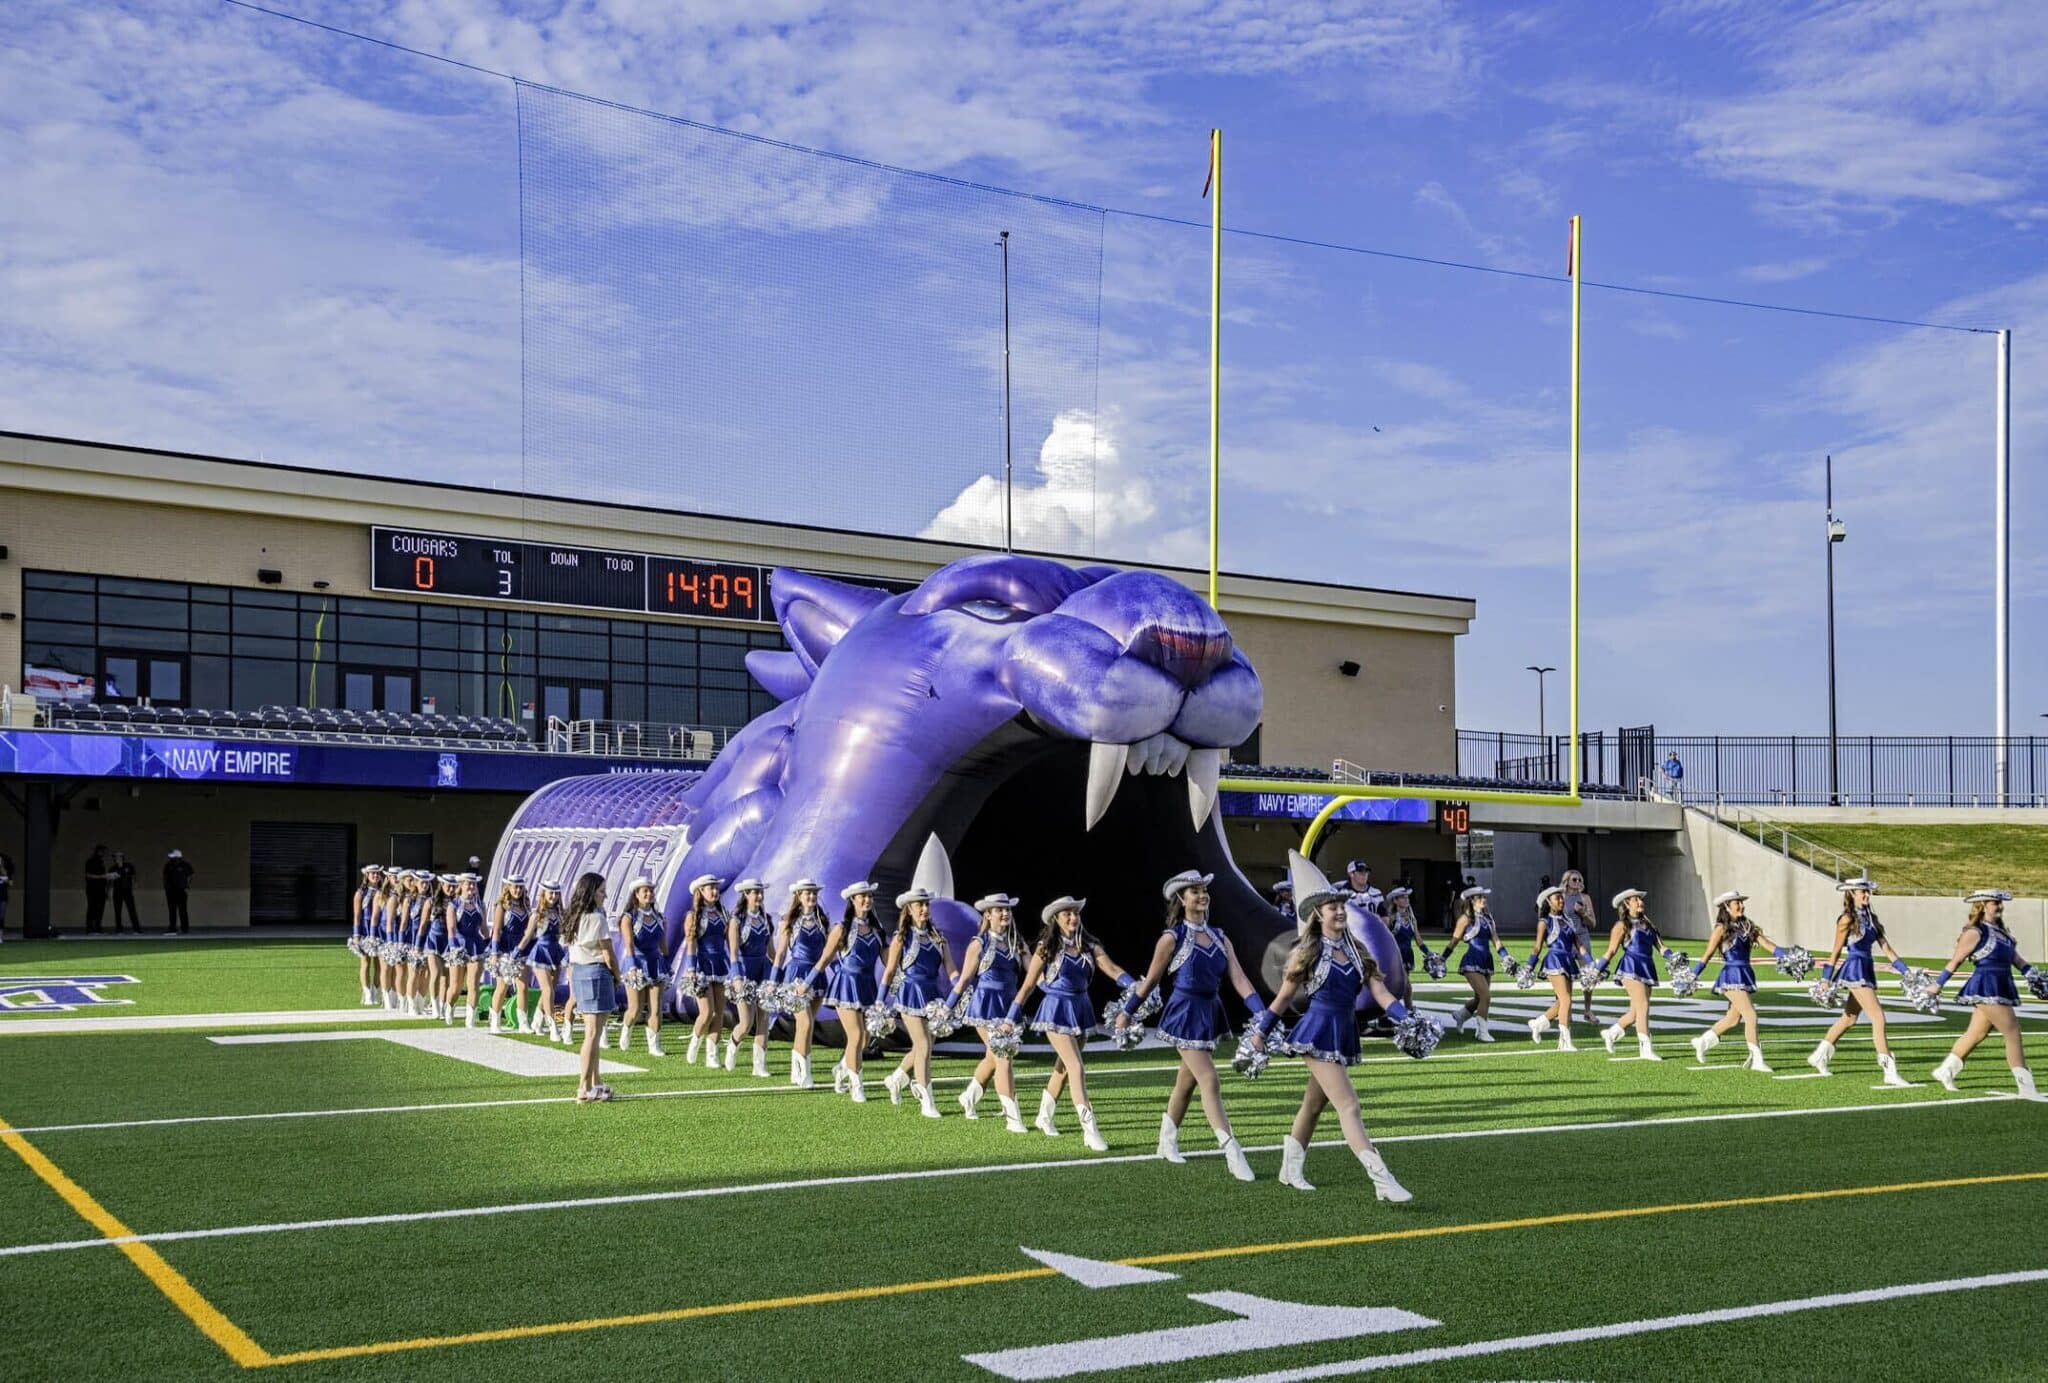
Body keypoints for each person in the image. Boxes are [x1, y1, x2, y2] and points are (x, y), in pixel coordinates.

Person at [1249, 854, 1415, 1200]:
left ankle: (1289, 1169)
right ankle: (1382, 1179)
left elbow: (1381, 992)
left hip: (1343, 1032)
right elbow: (1282, 999)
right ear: (1318, 914)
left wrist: (1406, 1018)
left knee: (1313, 1105)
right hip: (1316, 1033)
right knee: (1349, 1106)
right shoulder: (1306, 952)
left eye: (1341, 906)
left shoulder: (1357, 950)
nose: (1340, 911)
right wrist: (1260, 1033)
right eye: (1332, 907)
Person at [1118, 870, 1264, 1181]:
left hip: (1209, 1011)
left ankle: (1166, 1141)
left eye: (1204, 890)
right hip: (1184, 1012)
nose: (1202, 895)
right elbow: (1151, 980)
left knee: (1187, 1082)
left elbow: (1239, 979)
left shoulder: (1220, 936)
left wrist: (1262, 1013)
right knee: (1210, 1080)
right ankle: (1232, 1150)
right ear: (1182, 900)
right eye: (1194, 891)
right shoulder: (1172, 938)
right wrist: (1127, 1012)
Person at [1007, 896, 1134, 1152]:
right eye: (1067, 913)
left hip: (1081, 1009)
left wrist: (1134, 985)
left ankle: (1044, 1116)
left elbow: (1111, 968)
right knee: (1076, 1067)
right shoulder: (1046, 947)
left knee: (1064, 1069)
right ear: (1056, 918)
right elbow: (1029, 985)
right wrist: (1010, 1018)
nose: (1073, 917)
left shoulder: (1089, 945)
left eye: (1075, 913)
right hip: (1056, 1010)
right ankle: (1090, 1130)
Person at [1929, 889, 2042, 1098]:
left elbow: (2016, 960)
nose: (1999, 906)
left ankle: (1946, 1070)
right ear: (1982, 906)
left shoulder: (2003, 933)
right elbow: (1955, 961)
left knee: (1977, 1033)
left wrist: (2033, 974)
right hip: (1986, 985)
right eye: (1994, 903)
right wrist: (1937, 985)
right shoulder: (1974, 932)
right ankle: (2026, 1087)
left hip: (2002, 983)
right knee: (2012, 1030)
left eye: (2000, 903)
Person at [1806, 878, 1912, 1087]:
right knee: (1878, 1017)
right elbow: (1836, 951)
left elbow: (1887, 949)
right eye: (1863, 892)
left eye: (1868, 892)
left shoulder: (1872, 919)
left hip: (1866, 968)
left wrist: (1907, 972)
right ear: (1852, 893)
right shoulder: (1846, 919)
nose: (1867, 895)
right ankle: (1889, 1070)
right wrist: (1826, 979)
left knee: (1849, 1019)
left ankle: (1819, 1056)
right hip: (1855, 970)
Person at [949, 891, 1028, 1132]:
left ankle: (968, 1097)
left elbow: (1036, 976)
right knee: (1003, 1058)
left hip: (1009, 1007)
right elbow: (964, 980)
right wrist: (947, 1007)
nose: (1005, 913)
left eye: (1007, 909)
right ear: (988, 915)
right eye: (999, 909)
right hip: (985, 1006)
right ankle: (1013, 1118)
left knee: (993, 1058)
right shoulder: (978, 943)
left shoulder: (1017, 943)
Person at [879, 886, 955, 1118]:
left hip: (933, 997)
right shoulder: (901, 938)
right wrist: (879, 1002)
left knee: (925, 1046)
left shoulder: (938, 938)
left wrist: (961, 987)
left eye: (926, 904)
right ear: (909, 910)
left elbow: (951, 969)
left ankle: (896, 1079)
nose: (924, 908)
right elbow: (889, 971)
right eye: (919, 905)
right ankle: (927, 1101)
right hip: (910, 993)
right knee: (923, 1046)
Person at [1690, 890, 1783, 1072]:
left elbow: (1766, 944)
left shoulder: (1747, 926)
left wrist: (1786, 954)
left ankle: (1702, 1042)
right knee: (1751, 1016)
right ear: (1727, 907)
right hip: (1731, 975)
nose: (1741, 906)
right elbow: (1707, 954)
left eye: (1741, 902)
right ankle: (1757, 1060)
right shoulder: (1720, 929)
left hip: (1745, 972)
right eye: (1737, 903)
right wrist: (1693, 975)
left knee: (1733, 1019)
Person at [820, 881, 885, 1102]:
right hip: (846, 985)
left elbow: (888, 961)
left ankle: (841, 1069)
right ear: (853, 900)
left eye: (870, 896)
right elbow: (825, 958)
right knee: (856, 1035)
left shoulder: (877, 930)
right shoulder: (842, 928)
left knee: (865, 1038)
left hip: (868, 986)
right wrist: (806, 983)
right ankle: (857, 1085)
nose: (867, 900)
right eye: (862, 896)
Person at [564, 872, 622, 1103]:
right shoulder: (597, 918)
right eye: (601, 891)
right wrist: (617, 975)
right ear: (590, 893)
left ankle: (595, 1083)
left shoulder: (573, 915)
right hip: (596, 971)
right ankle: (583, 1087)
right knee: (592, 1034)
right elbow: (608, 953)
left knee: (594, 1034)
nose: (605, 896)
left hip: (579, 971)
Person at [1590, 888, 1663, 1061]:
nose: (1640, 902)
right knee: (1643, 1006)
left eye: (1640, 899)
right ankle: (1645, 1048)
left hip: (1647, 967)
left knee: (1635, 1012)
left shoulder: (1648, 925)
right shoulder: (1621, 926)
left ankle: (1611, 1033)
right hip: (1630, 967)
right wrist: (1596, 970)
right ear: (1626, 904)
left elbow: (1661, 947)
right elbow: (1611, 951)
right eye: (1635, 900)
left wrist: (1674, 957)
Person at [775, 879, 833, 1088]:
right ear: (798, 895)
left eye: (814, 893)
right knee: (805, 1022)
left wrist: (840, 973)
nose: (812, 896)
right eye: (807, 893)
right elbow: (781, 953)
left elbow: (829, 953)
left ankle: (796, 1070)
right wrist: (773, 980)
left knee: (806, 1026)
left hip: (817, 976)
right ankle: (804, 1073)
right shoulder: (788, 920)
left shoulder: (823, 921)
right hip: (796, 975)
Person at [1525, 885, 1588, 1050]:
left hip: (1568, 961)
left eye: (1561, 897)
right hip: (1554, 960)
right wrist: (1529, 968)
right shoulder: (1544, 922)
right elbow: (1537, 947)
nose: (1561, 900)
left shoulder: (1568, 920)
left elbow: (1579, 945)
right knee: (1566, 1000)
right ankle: (1565, 1042)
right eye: (1557, 898)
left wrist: (1590, 964)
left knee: (1563, 1002)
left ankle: (1538, 1024)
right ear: (1548, 901)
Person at [724, 878, 776, 1077]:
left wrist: (778, 973)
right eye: (755, 892)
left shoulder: (766, 919)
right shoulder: (736, 920)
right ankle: (732, 1045)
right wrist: (736, 977)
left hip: (764, 971)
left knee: (764, 1019)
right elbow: (733, 952)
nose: (759, 896)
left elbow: (771, 951)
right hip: (744, 971)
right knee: (746, 1023)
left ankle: (759, 1065)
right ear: (746, 894)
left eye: (761, 892)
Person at [677, 874, 728, 1066]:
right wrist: (691, 969)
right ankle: (695, 1041)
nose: (715, 891)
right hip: (701, 965)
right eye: (710, 888)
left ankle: (712, 1054)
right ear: (701, 892)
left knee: (719, 1013)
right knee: (707, 1012)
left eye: (716, 887)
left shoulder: (724, 913)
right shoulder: (693, 915)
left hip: (720, 964)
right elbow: (691, 943)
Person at [615, 876, 669, 1056]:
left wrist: (667, 963)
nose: (649, 893)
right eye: (645, 891)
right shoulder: (628, 918)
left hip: (655, 964)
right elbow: (629, 945)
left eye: (651, 890)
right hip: (636, 962)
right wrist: (632, 967)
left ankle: (654, 1045)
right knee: (636, 1008)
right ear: (636, 894)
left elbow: (663, 945)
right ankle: (626, 1029)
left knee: (656, 1007)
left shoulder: (659, 917)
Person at [1443, 885, 1504, 1040]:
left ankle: (1460, 1015)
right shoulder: (1465, 919)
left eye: (1484, 897)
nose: (1484, 899)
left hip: (1486, 960)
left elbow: (1496, 940)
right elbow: (1454, 941)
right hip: (1471, 960)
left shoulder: (1488, 918)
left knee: (1479, 998)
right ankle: (1482, 1032)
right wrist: (1442, 959)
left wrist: (1506, 957)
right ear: (1472, 900)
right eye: (1480, 897)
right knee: (1486, 996)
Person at [520, 880, 570, 1041]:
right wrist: (517, 952)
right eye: (550, 893)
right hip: (540, 953)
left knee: (550, 990)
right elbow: (528, 936)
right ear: (543, 894)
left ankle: (537, 1020)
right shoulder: (536, 915)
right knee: (548, 990)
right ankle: (553, 1027)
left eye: (556, 893)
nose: (553, 896)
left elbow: (565, 935)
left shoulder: (561, 914)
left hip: (556, 952)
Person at [485, 877, 533, 1035]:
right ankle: (495, 1020)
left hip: (521, 949)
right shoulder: (502, 905)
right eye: (515, 887)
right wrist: (494, 953)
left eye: (520, 887)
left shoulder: (526, 905)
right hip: (505, 949)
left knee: (523, 987)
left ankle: (523, 1022)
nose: (517, 890)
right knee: (502, 986)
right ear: (508, 887)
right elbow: (497, 931)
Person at [442, 874, 488, 1027]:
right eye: (469, 884)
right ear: (461, 885)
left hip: (476, 946)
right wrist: (453, 948)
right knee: (456, 987)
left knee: (473, 984)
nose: (472, 887)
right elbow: (451, 929)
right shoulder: (453, 905)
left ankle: (470, 1018)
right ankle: (449, 1006)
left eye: (474, 884)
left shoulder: (480, 905)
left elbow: (484, 928)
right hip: (458, 945)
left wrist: (490, 945)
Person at [1559, 869, 1599, 1025]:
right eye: (1574, 880)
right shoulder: (1561, 897)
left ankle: (1588, 1010)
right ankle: (1566, 1011)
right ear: (1567, 881)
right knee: (1565, 976)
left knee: (1588, 975)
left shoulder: (1585, 898)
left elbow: (1593, 923)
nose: (1577, 882)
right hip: (1566, 940)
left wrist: (1583, 913)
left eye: (1579, 880)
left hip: (1582, 938)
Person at [350, 864, 384, 1006]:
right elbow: (357, 915)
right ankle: (367, 993)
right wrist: (356, 934)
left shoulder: (383, 892)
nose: (375, 876)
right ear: (367, 875)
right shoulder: (360, 893)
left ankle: (376, 992)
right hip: (364, 931)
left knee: (379, 964)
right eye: (372, 873)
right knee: (365, 962)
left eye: (377, 873)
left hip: (379, 931)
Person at [162, 849, 194, 934]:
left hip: (181, 890)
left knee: (182, 909)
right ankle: (172, 927)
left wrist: (187, 885)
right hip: (171, 891)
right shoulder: (168, 865)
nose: (172, 859)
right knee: (172, 910)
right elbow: (165, 876)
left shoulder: (185, 865)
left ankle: (185, 928)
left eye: (174, 857)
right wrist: (166, 887)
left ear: (178, 857)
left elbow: (191, 875)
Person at [108, 850, 140, 932]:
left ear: (121, 857)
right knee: (117, 911)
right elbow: (110, 881)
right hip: (117, 891)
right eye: (115, 857)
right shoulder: (112, 868)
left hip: (127, 891)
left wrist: (135, 883)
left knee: (132, 909)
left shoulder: (129, 866)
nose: (116, 859)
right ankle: (119, 929)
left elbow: (134, 876)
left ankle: (137, 929)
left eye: (117, 857)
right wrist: (108, 892)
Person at [84, 844, 110, 933]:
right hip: (92, 888)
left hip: (101, 889)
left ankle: (98, 928)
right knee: (92, 908)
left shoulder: (101, 862)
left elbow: (102, 877)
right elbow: (88, 875)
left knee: (100, 909)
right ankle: (89, 928)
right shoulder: (90, 861)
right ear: (99, 851)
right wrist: (102, 876)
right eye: (103, 852)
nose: (104, 854)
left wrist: (107, 879)